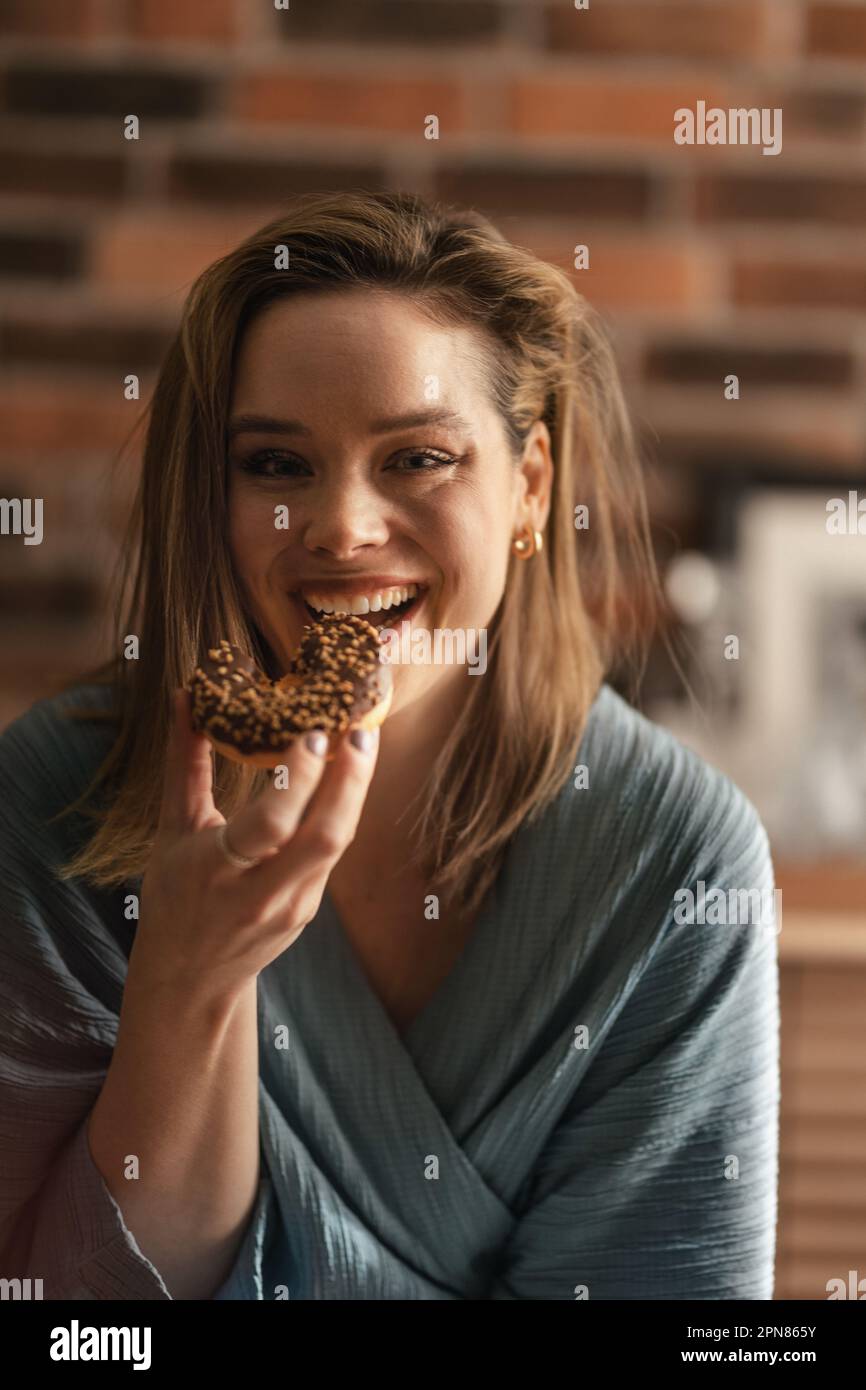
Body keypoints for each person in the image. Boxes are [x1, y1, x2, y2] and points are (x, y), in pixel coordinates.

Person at [0, 189, 779, 1300]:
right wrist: (186, 981)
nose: (341, 528)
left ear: (529, 486)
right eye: (275, 465)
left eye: (416, 459)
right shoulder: (54, 803)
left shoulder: (673, 863)